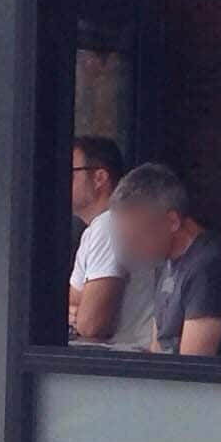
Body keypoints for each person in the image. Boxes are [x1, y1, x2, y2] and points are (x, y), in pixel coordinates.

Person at [110, 162, 221, 359]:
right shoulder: (165, 262)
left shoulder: (210, 267)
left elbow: (192, 368)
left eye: (138, 236)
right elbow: (159, 345)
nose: (133, 247)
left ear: (172, 222)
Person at [66, 134, 160, 349]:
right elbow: (68, 303)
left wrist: (80, 312)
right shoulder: (99, 227)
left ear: (99, 178)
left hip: (121, 366)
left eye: (69, 173)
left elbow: (91, 325)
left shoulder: (110, 226)